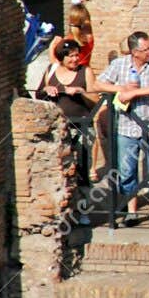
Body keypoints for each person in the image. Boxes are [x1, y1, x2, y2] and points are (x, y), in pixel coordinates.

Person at [95, 32, 149, 228]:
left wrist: (135, 92)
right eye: (146, 49)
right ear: (134, 52)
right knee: (127, 170)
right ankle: (132, 211)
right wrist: (121, 89)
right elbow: (97, 83)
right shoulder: (120, 64)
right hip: (127, 126)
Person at [37, 38, 98, 225]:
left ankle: (83, 211)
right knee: (59, 169)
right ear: (62, 58)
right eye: (70, 56)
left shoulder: (85, 71)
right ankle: (61, 211)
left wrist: (81, 92)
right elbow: (38, 94)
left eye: (76, 55)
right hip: (58, 129)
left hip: (82, 126)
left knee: (81, 169)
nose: (75, 59)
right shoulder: (51, 70)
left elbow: (96, 99)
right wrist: (47, 89)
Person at [48, 0, 96, 68]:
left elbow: (56, 66)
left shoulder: (67, 43)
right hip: (83, 74)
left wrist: (51, 48)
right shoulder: (89, 39)